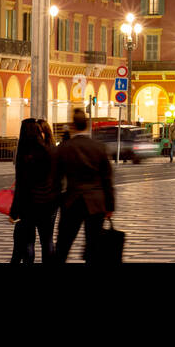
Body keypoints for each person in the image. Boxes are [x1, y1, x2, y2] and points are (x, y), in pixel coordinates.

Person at [53, 109, 116, 262]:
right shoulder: (99, 147)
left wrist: (59, 200)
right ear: (88, 126)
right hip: (96, 203)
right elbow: (107, 180)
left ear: (73, 126)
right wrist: (110, 206)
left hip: (72, 201)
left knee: (63, 245)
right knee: (93, 246)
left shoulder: (64, 147)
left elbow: (56, 179)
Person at [11, 118, 57, 263]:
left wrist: (14, 210)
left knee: (28, 242)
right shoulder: (51, 150)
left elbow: (21, 186)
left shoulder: (24, 155)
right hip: (49, 204)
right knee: (47, 241)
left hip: (29, 204)